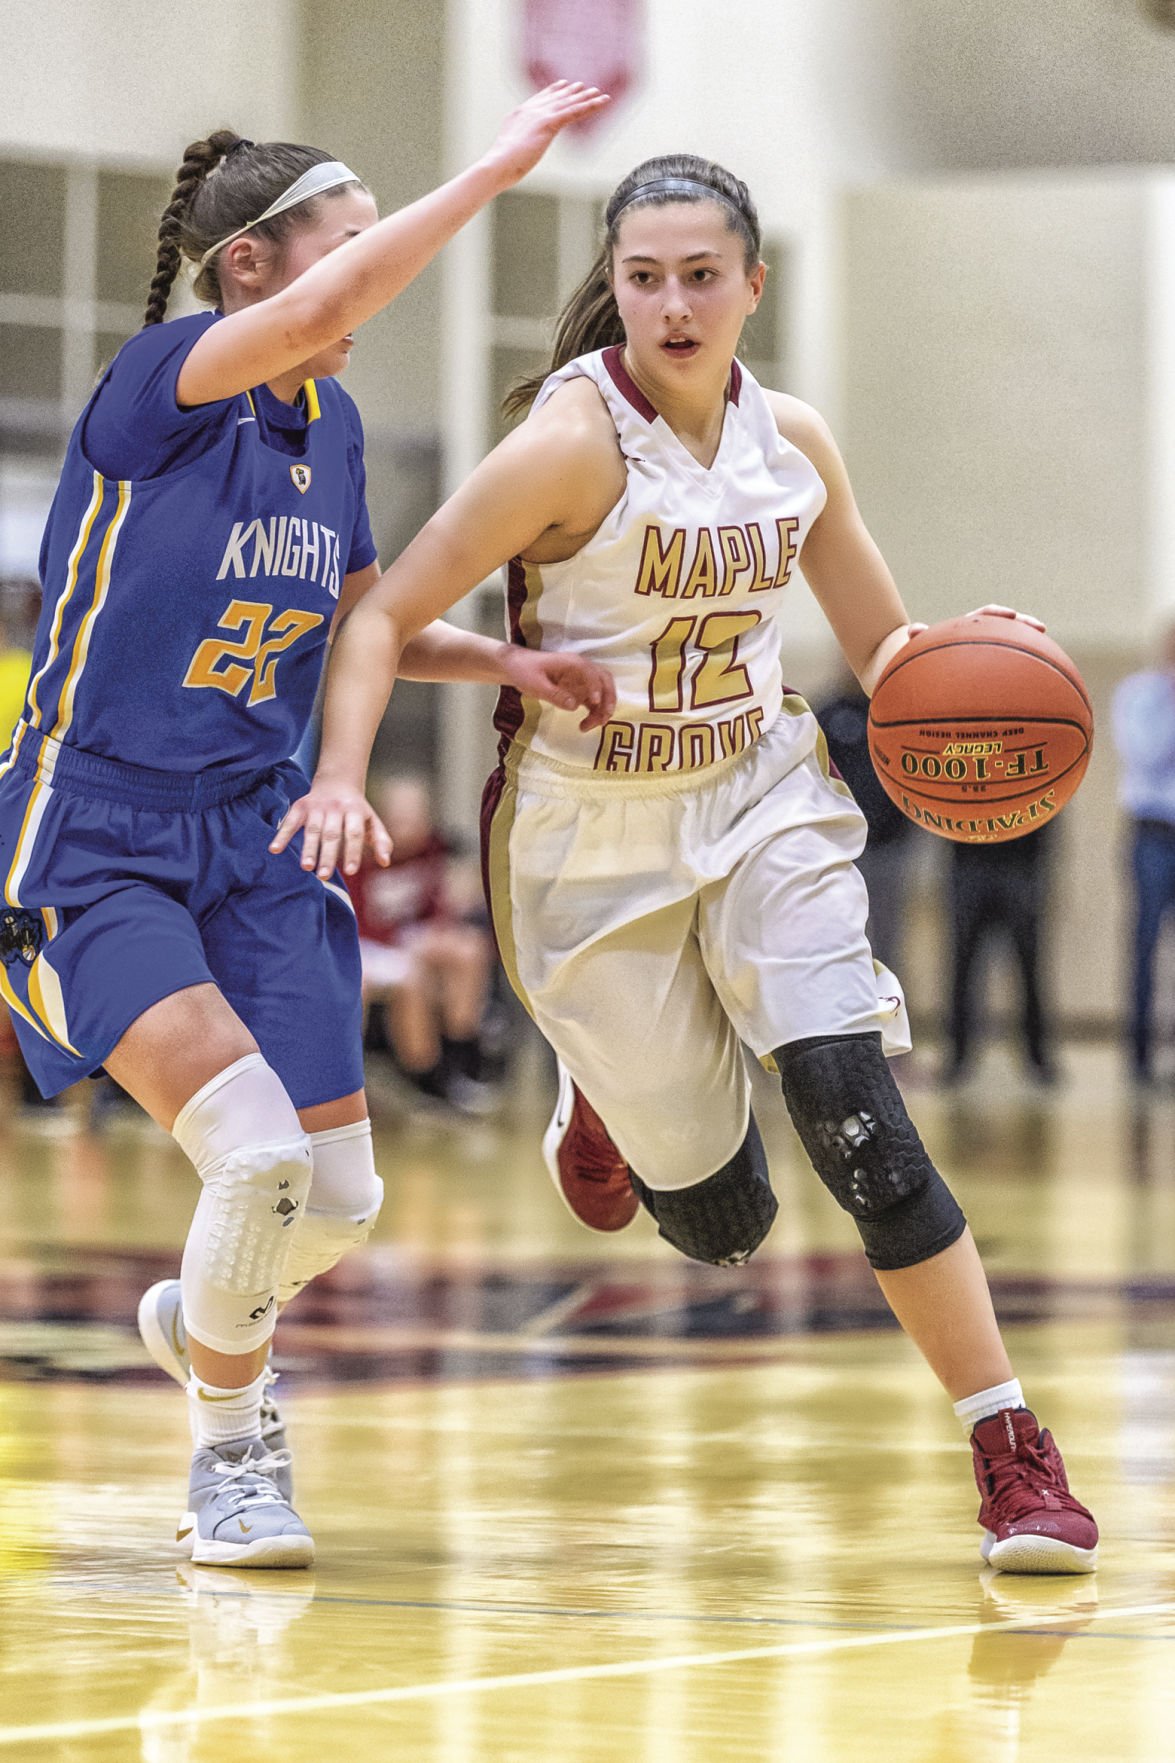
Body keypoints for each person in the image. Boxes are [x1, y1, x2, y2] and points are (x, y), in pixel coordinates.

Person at [277, 153, 1099, 1575]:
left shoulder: (791, 439)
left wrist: (980, 656)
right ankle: (601, 1096)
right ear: (615, 281)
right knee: (723, 1220)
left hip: (758, 789)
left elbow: (884, 645)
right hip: (587, 838)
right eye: (643, 275)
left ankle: (1007, 1445)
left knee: (855, 1114)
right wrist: (341, 777)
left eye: (699, 274)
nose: (670, 301)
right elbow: (378, 617)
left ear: (748, 287)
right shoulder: (562, 445)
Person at [0, 81, 613, 1570]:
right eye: (343, 258)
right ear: (252, 269)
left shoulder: (326, 429)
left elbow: (355, 617)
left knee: (334, 1199)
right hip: (94, 834)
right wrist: (493, 165)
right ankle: (229, 1460)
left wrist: (502, 661)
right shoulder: (159, 385)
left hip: (251, 829)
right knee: (257, 1162)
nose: (367, 299)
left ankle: (195, 1319)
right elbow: (340, 291)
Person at [349, 772, 496, 1111]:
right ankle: (424, 1075)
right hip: (369, 944)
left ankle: (464, 1051)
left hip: (409, 937)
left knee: (469, 948)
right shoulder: (362, 854)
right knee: (411, 976)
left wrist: (444, 923)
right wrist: (407, 941)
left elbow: (437, 906)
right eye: (399, 819)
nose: (408, 827)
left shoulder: (432, 847)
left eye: (415, 817)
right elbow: (355, 921)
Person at [814, 670, 914, 977]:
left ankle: (888, 1011)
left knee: (887, 940)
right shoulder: (828, 714)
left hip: (887, 849)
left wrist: (904, 832)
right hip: (841, 853)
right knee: (837, 936)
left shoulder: (895, 717)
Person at [943, 822, 1058, 1085]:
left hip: (1021, 861)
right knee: (962, 964)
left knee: (1029, 965)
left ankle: (1037, 1056)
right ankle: (957, 1057)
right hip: (969, 859)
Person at [1111, 620, 1175, 1085]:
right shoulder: (1138, 695)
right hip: (1152, 833)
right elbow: (1146, 753)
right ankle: (1138, 1060)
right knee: (1145, 943)